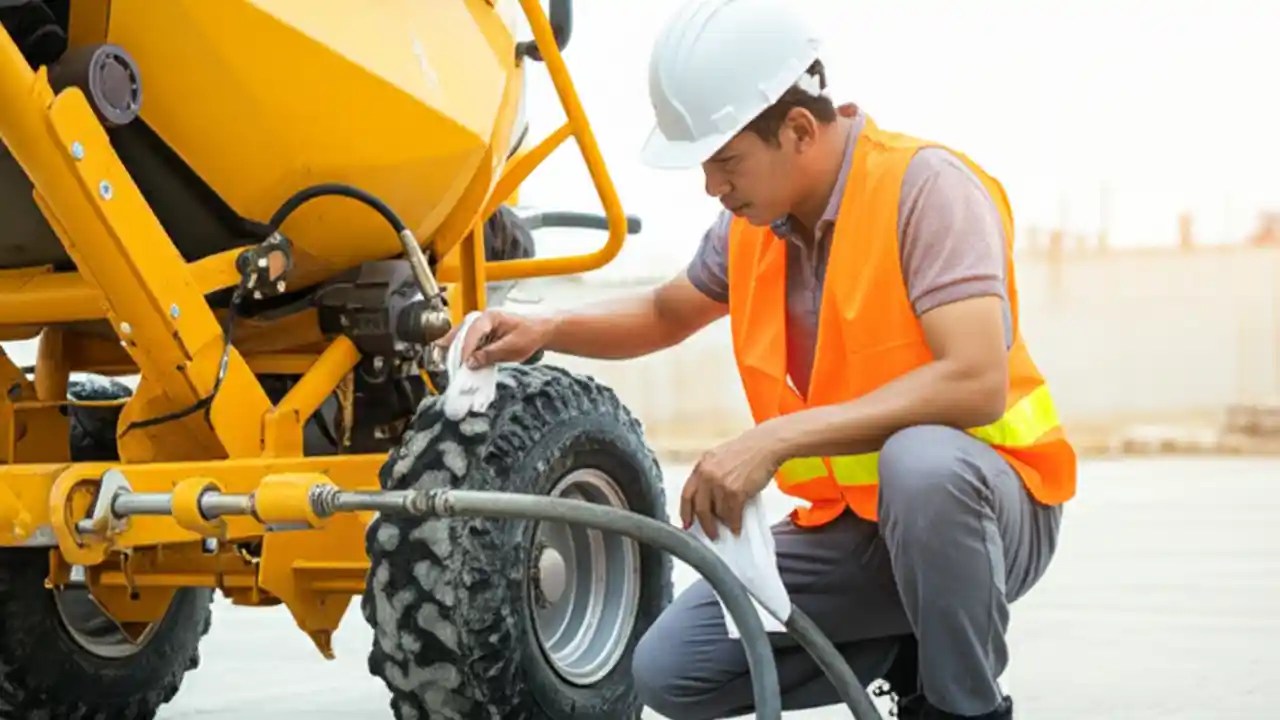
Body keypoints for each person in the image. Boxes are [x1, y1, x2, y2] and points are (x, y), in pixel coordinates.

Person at [444, 0, 1076, 717]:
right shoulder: (750, 231)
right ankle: (906, 646)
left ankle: (961, 707)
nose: (713, 185)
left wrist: (772, 441)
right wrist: (544, 327)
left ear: (799, 130)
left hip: (985, 512)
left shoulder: (927, 189)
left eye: (725, 161)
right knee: (671, 672)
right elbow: (663, 314)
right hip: (857, 530)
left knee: (921, 464)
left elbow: (976, 382)